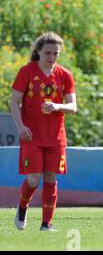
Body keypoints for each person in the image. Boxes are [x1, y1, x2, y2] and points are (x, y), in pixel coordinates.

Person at [10, 32, 77, 231]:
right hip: (31, 135)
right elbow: (14, 102)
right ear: (38, 51)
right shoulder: (27, 72)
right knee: (33, 178)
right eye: (47, 53)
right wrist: (21, 127)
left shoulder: (65, 75)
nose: (51, 57)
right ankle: (22, 206)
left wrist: (58, 106)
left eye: (55, 53)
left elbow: (73, 106)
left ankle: (46, 224)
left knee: (51, 177)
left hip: (56, 136)